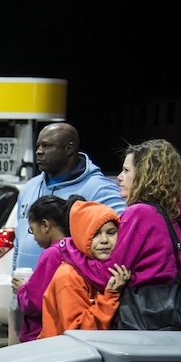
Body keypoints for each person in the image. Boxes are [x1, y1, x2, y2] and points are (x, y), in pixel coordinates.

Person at [58, 138, 181, 362]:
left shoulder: (140, 213)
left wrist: (68, 247)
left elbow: (105, 275)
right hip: (166, 323)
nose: (119, 178)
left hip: (140, 327)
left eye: (126, 171)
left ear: (145, 175)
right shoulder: (171, 213)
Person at [10, 123, 125, 342]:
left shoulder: (99, 189)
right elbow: (19, 240)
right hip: (26, 300)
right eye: (38, 146)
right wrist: (16, 292)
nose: (39, 152)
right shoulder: (30, 187)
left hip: (66, 301)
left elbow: (119, 241)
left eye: (47, 146)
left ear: (69, 148)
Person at [38, 200, 130, 338]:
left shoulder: (115, 269)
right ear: (82, 236)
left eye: (111, 233)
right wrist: (110, 296)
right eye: (95, 234)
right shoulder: (69, 275)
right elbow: (78, 332)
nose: (104, 240)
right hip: (65, 349)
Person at [11, 194, 70, 342]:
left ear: (45, 225)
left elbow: (35, 305)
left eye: (32, 230)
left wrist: (21, 290)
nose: (34, 237)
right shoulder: (72, 249)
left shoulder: (51, 254)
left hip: (41, 335)